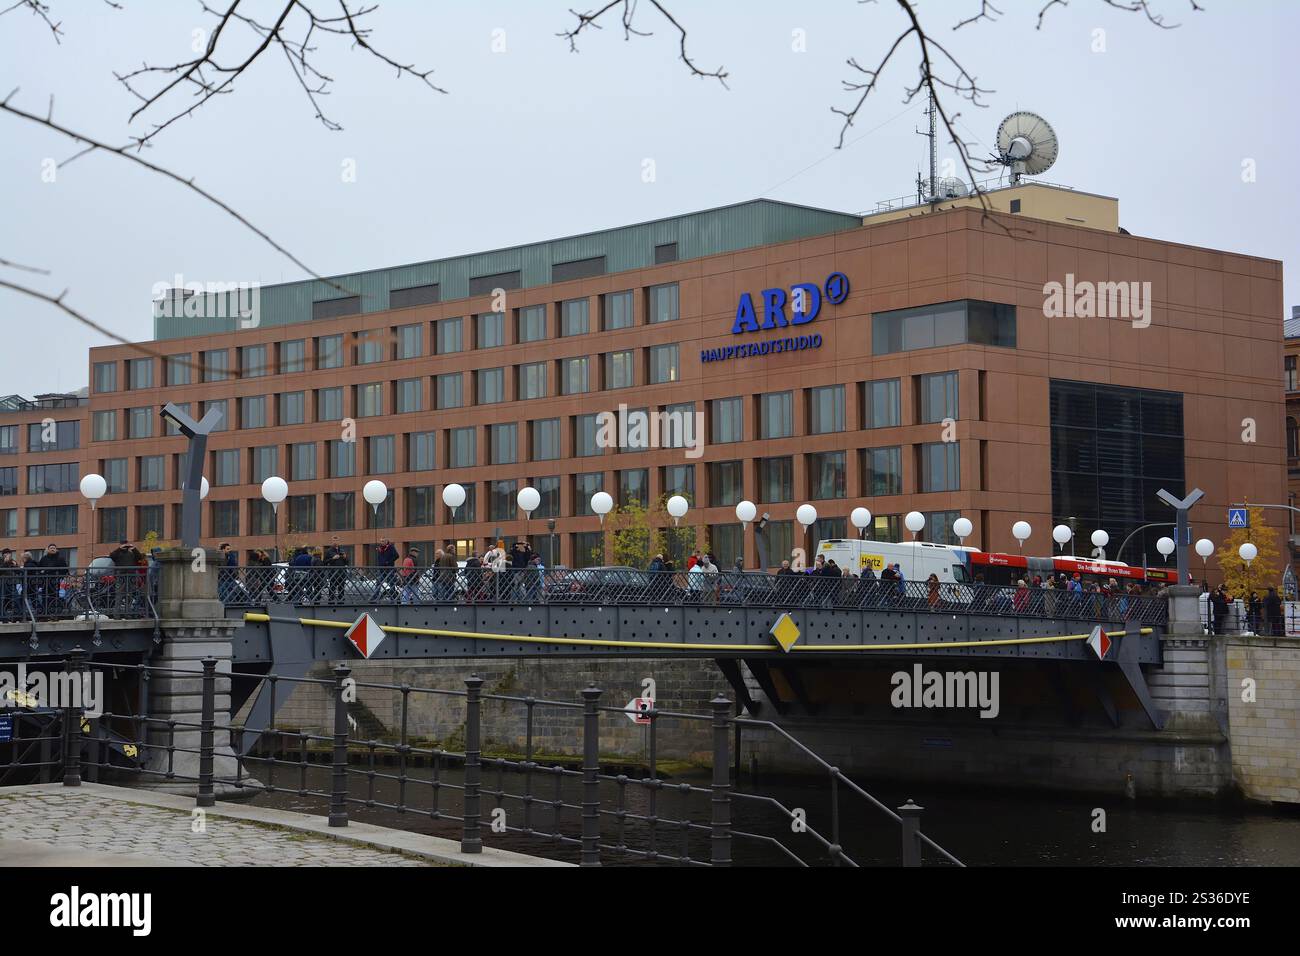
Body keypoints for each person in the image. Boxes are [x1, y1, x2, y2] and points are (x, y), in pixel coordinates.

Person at [37, 543, 68, 616]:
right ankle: (45, 613)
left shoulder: (60, 558)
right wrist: (42, 575)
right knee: (44, 596)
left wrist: (60, 576)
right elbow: (39, 569)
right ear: (48, 549)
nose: (52, 549)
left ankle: (54, 613)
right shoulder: (44, 558)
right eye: (51, 548)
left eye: (54, 548)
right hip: (45, 581)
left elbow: (65, 570)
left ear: (56, 549)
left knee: (54, 596)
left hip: (55, 581)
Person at [324, 537, 349, 604]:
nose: (336, 542)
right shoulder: (329, 551)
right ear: (332, 542)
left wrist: (345, 557)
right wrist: (333, 558)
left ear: (339, 541)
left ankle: (341, 603)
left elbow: (347, 562)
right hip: (333, 573)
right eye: (334, 541)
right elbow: (325, 562)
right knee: (332, 589)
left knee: (341, 589)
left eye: (337, 540)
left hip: (342, 573)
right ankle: (331, 603)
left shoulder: (342, 550)